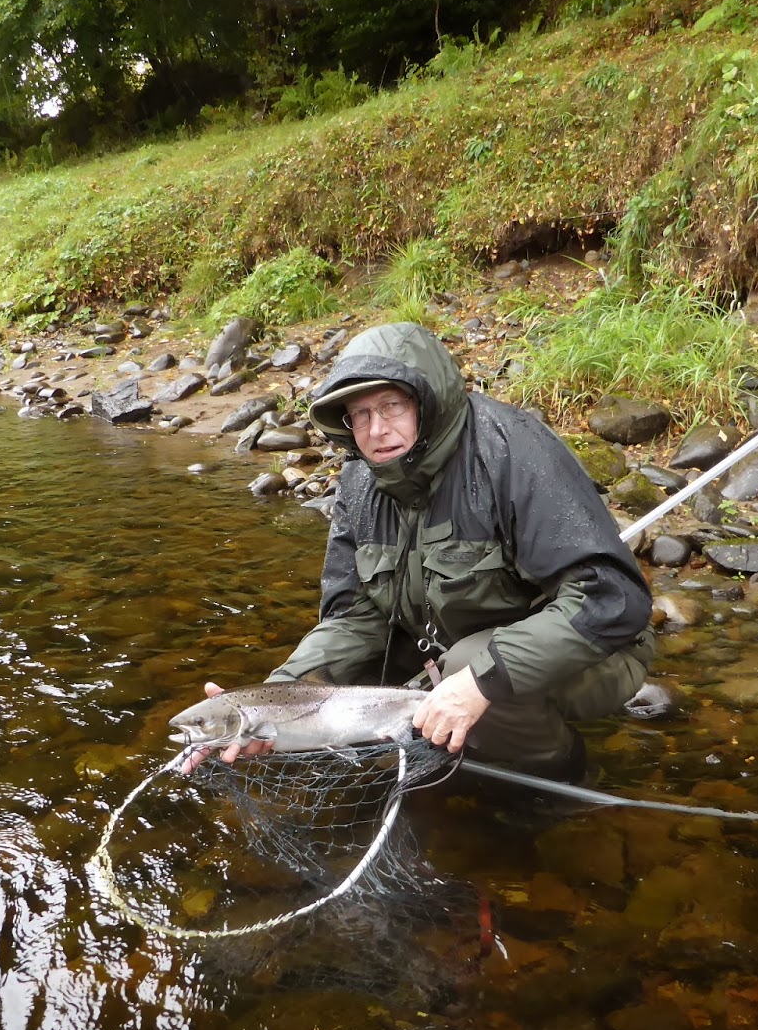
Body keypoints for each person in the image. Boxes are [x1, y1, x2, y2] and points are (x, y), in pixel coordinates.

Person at [200, 321, 654, 779]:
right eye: (360, 415)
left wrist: (481, 682)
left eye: (391, 406)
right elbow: (354, 618)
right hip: (454, 641)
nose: (376, 430)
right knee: (377, 675)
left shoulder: (511, 452)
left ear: (426, 402)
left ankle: (556, 768)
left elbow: (610, 599)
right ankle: (470, 720)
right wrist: (273, 699)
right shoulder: (361, 481)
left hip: (600, 650)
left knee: (469, 667)